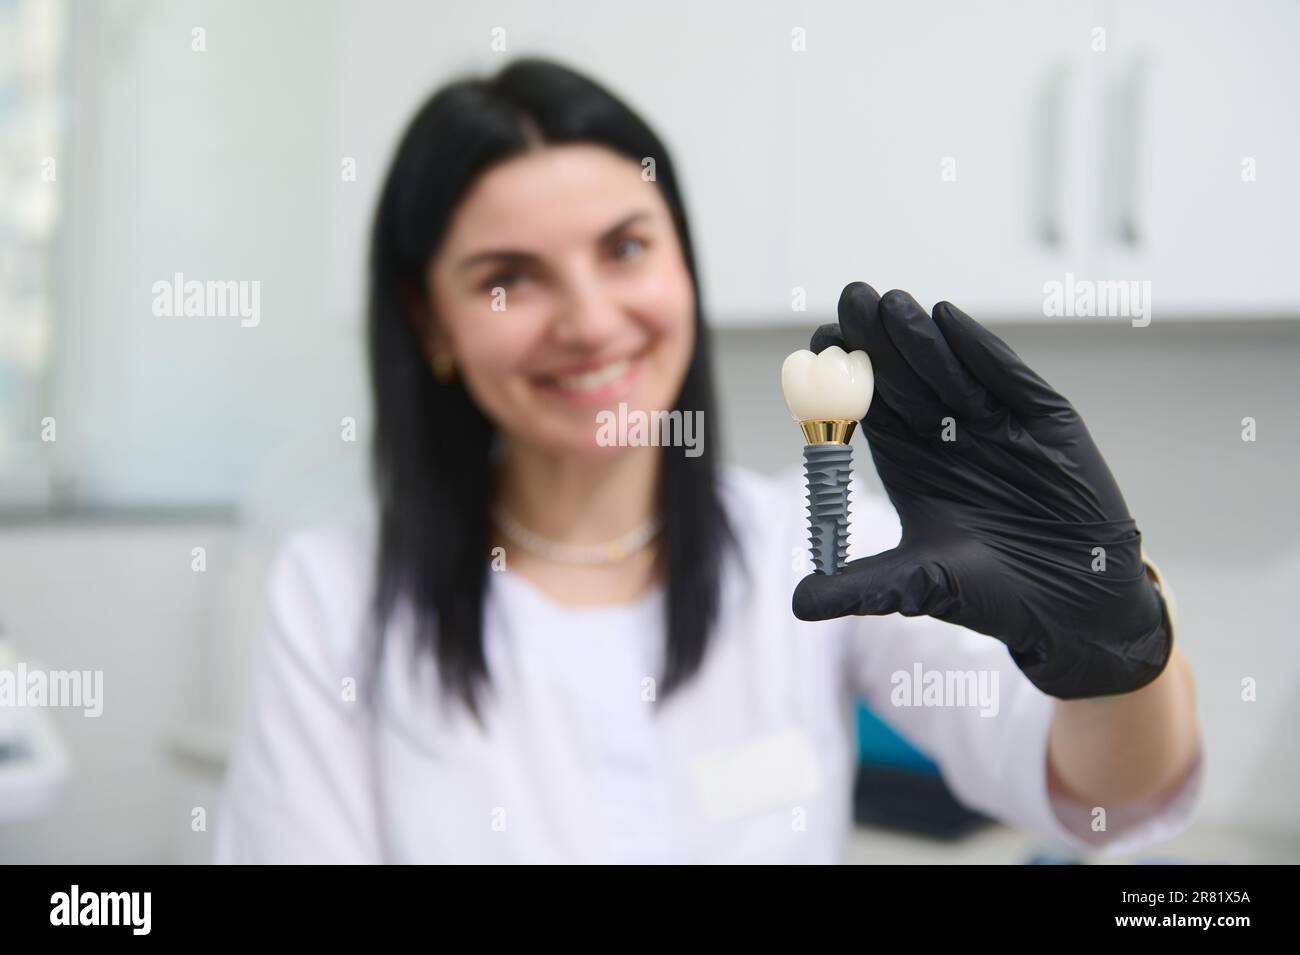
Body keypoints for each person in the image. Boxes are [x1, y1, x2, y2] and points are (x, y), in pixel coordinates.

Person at [213, 57, 1203, 864]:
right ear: (432, 318)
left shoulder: (819, 541)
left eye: (625, 247)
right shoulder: (332, 598)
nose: (590, 320)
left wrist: (1116, 648)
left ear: (683, 261)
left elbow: (1103, 799)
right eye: (509, 277)